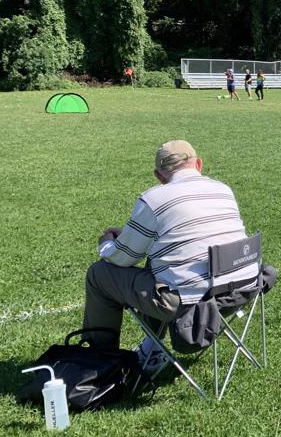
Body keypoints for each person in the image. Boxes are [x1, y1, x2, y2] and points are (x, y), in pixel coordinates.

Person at [82, 141, 258, 372]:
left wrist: (107, 243)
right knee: (159, 264)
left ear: (159, 176)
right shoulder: (224, 189)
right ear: (198, 164)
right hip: (240, 290)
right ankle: (151, 348)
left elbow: (122, 259)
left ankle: (100, 362)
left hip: (190, 302)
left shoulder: (155, 199)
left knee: (99, 274)